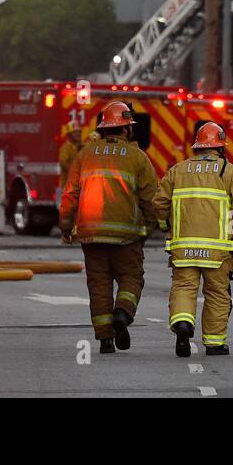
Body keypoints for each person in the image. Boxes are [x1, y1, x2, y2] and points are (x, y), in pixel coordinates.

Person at [154, 121, 233, 357]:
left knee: (184, 287)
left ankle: (183, 323)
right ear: (220, 147)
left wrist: (165, 225)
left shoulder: (178, 170)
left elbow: (159, 203)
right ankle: (214, 344)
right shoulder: (229, 171)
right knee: (216, 293)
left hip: (183, 247)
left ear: (198, 146)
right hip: (219, 249)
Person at [59, 101, 157, 354]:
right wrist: (152, 225)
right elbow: (150, 198)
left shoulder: (84, 155)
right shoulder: (138, 157)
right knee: (131, 277)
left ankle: (105, 339)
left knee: (99, 285)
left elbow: (70, 194)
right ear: (126, 129)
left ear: (103, 128)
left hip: (91, 234)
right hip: (127, 235)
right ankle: (122, 313)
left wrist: (65, 226)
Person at [56, 122, 81, 191]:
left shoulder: (82, 147)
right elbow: (64, 164)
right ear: (69, 135)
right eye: (75, 132)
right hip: (67, 187)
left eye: (79, 132)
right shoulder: (65, 149)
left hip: (80, 187)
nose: (78, 134)